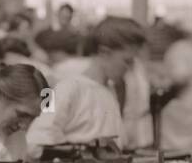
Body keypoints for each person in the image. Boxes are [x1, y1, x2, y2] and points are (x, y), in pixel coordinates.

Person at [27, 16, 144, 153]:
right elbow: (37, 138)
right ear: (104, 52)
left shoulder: (111, 90)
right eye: (127, 61)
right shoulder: (67, 87)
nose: (130, 69)